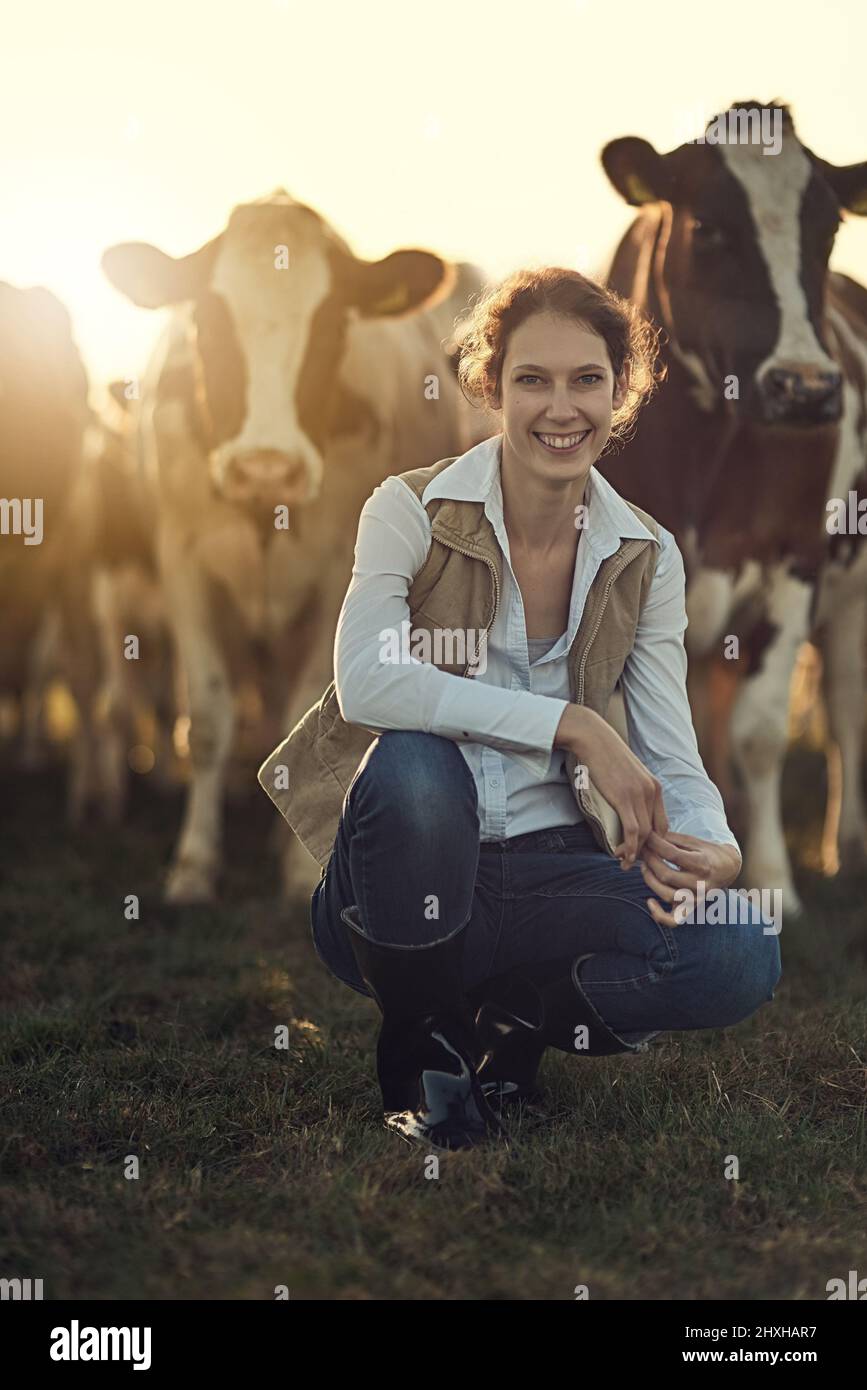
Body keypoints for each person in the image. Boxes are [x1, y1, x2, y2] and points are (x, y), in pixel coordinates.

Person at [261, 267, 782, 1152]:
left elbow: (668, 746)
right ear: (489, 386)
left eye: (586, 380)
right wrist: (572, 724)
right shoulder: (409, 508)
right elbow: (370, 685)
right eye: (531, 380)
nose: (560, 408)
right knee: (420, 765)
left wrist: (714, 844)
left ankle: (515, 1019)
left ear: (621, 390)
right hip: (405, 877)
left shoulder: (646, 553)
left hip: (555, 873)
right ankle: (425, 1066)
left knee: (741, 950)